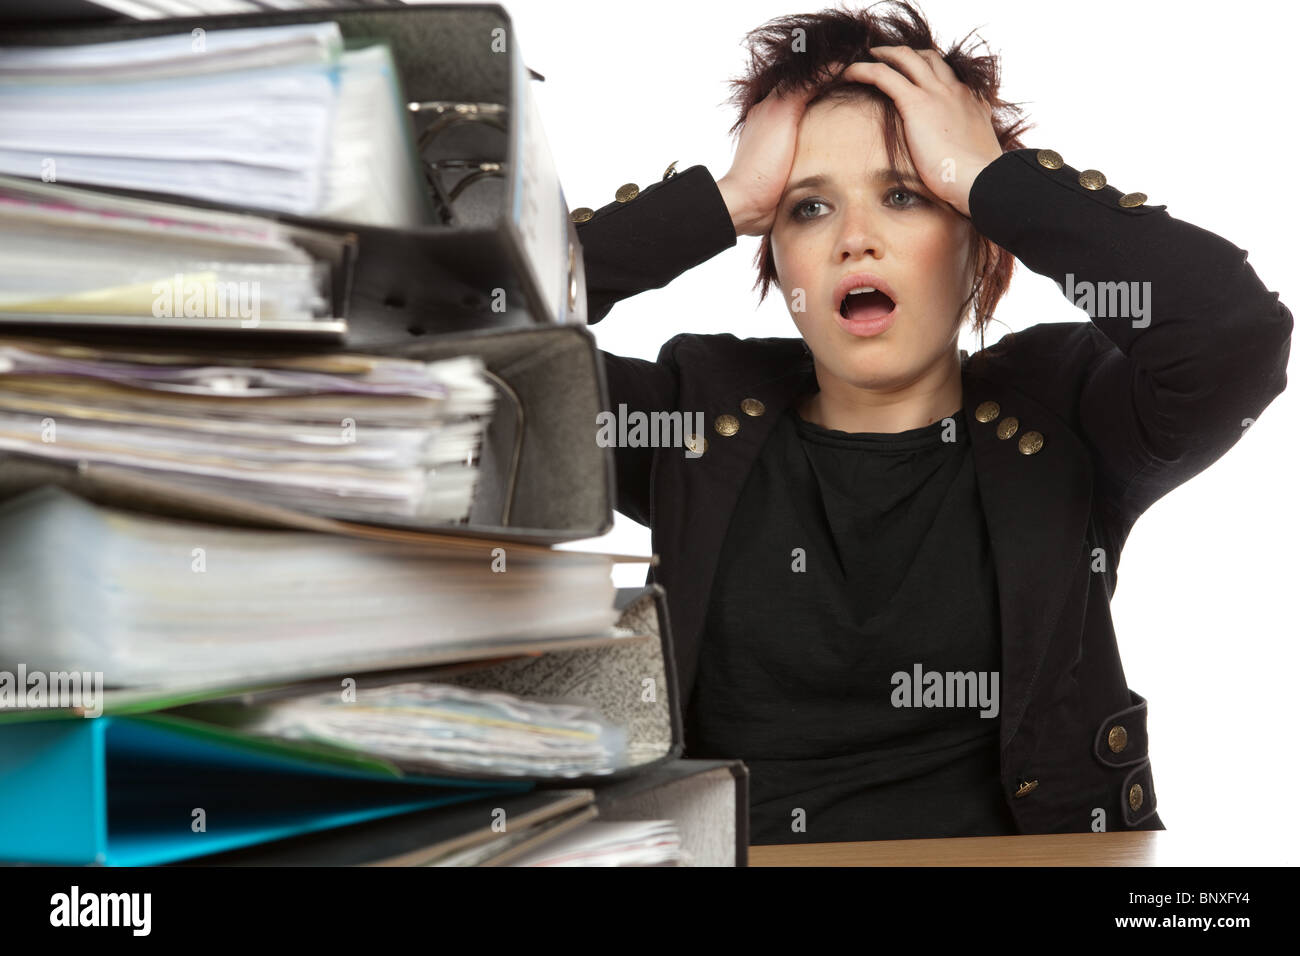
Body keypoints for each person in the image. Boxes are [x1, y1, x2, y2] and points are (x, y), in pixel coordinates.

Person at [570, 2, 1292, 844]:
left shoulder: (1066, 421)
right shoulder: (690, 418)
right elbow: (435, 350)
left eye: (907, 194)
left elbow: (1231, 336)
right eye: (808, 208)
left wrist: (994, 181)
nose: (855, 241)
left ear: (980, 246)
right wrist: (721, 200)